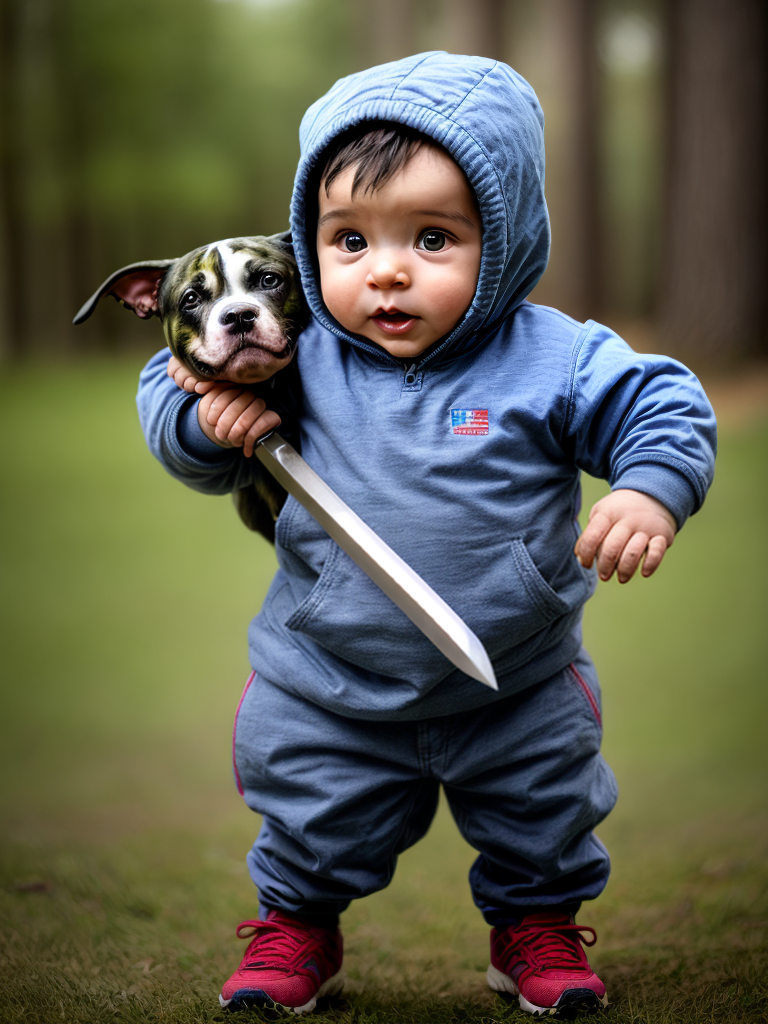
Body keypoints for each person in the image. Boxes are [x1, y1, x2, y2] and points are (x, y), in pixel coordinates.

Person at [138, 53, 716, 1018]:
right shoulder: (294, 352)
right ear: (306, 244)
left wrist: (651, 489)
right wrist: (207, 422)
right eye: (350, 240)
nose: (387, 269)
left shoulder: (553, 356)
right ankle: (296, 926)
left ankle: (534, 927)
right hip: (327, 678)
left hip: (516, 675)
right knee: (311, 811)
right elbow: (168, 387)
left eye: (434, 238)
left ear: (507, 239)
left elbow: (660, 399)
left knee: (545, 810)